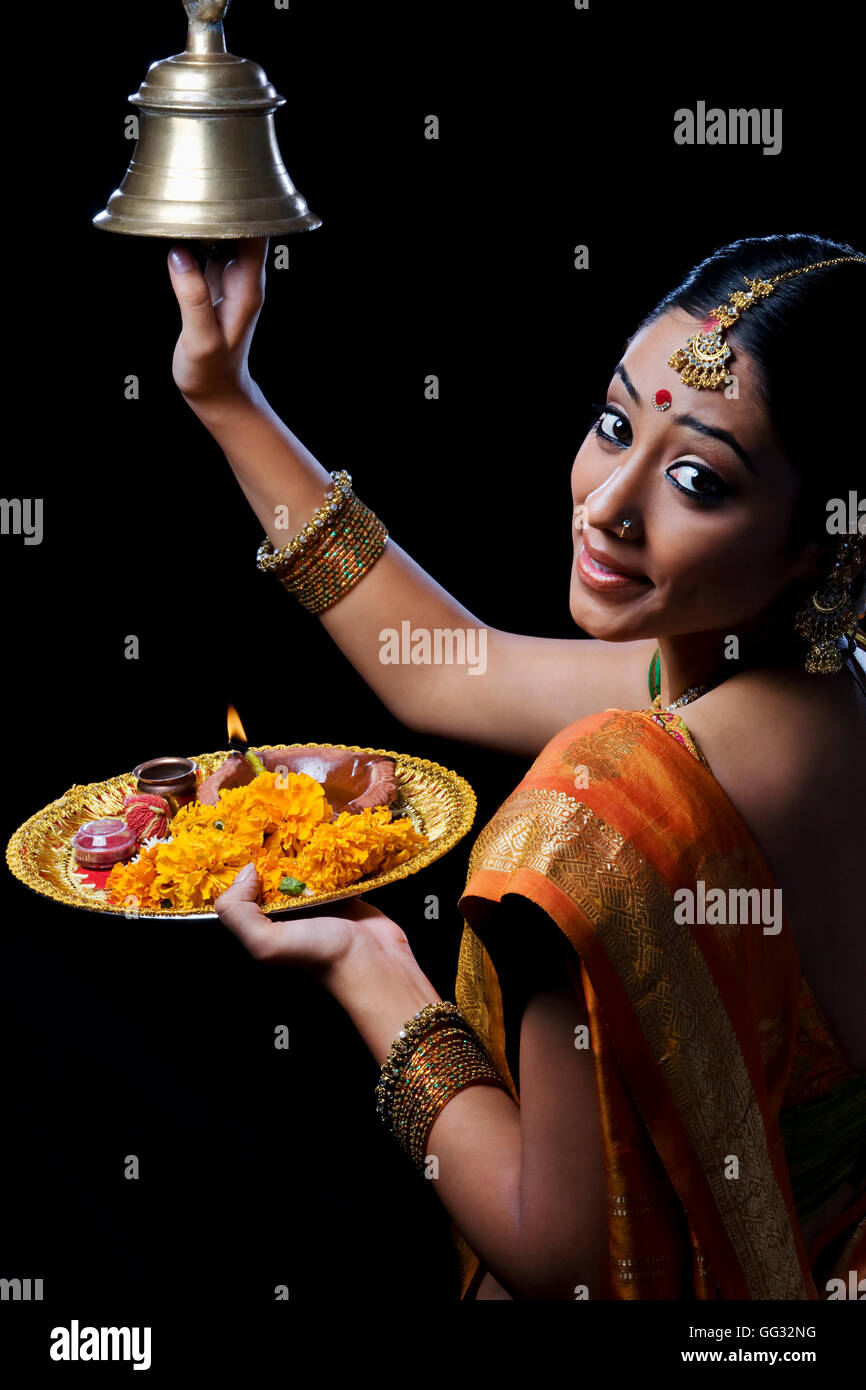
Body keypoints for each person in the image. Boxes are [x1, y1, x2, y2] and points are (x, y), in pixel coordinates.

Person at [166, 231, 866, 1300]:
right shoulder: (818, 685)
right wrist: (227, 395)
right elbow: (447, 670)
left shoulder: (619, 801)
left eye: (694, 478)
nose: (606, 502)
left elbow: (559, 1255)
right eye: (611, 423)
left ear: (819, 539)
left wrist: (370, 969)